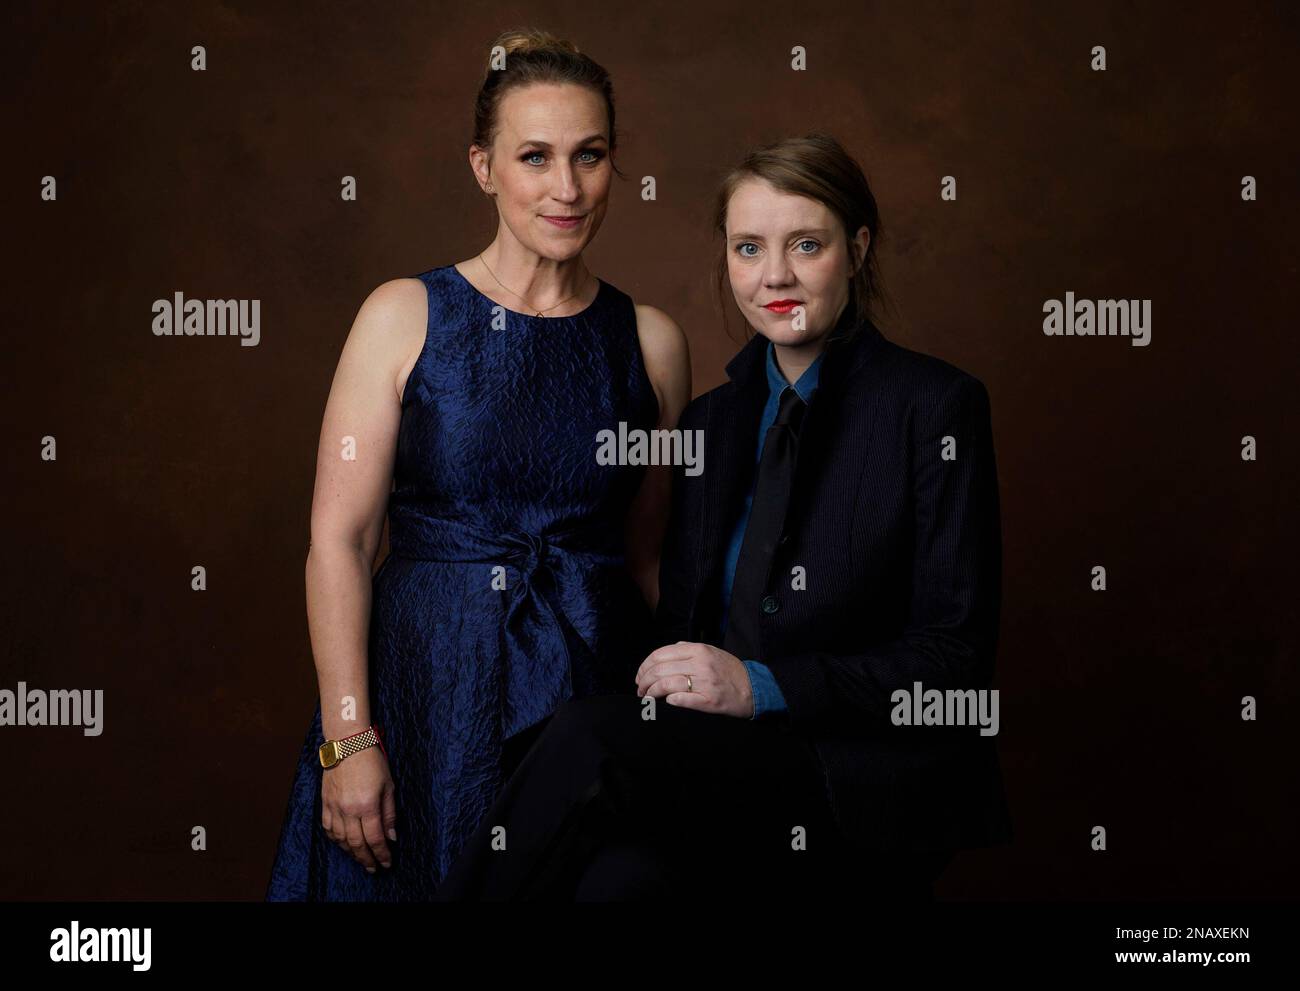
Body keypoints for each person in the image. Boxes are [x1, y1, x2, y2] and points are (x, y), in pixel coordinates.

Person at [434, 133, 1013, 901]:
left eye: (807, 244)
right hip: (719, 769)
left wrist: (762, 685)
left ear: (859, 248)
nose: (774, 275)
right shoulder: (710, 423)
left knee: (588, 738)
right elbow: (678, 621)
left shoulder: (935, 406)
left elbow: (954, 664)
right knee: (614, 885)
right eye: (748, 247)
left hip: (859, 780)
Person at [265, 28, 690, 900]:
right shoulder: (402, 314)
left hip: (591, 695)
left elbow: (649, 562)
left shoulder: (652, 341)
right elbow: (339, 540)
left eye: (591, 155)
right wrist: (349, 737)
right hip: (426, 681)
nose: (567, 187)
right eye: (535, 157)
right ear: (483, 166)